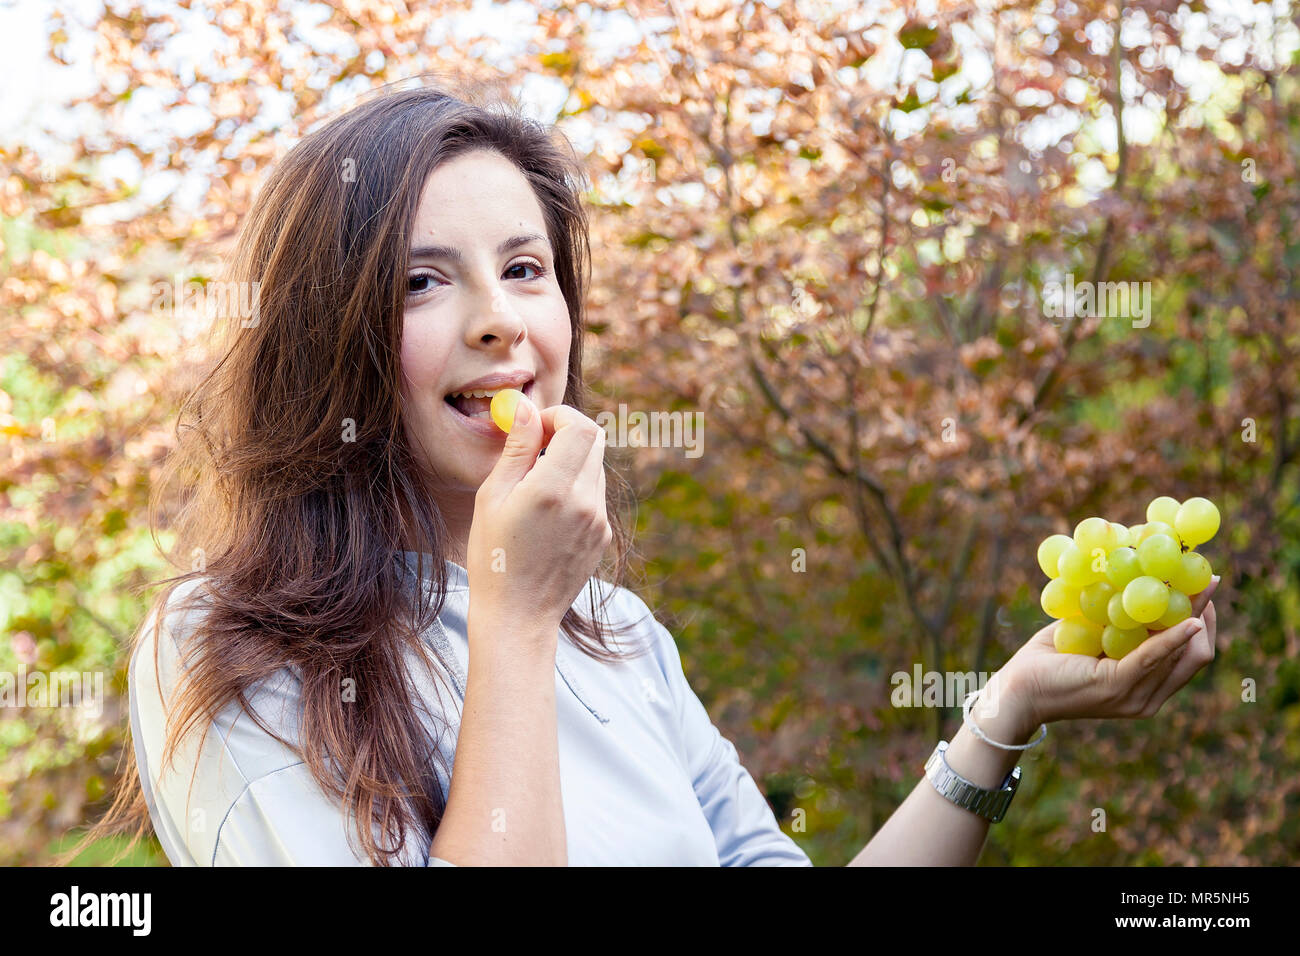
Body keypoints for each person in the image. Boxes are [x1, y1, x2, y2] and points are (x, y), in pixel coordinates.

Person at [64, 78, 1219, 867]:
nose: (495, 321)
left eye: (524, 267)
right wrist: (514, 614)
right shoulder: (225, 646)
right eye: (423, 282)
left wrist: (1003, 712)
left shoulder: (616, 632)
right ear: (331, 338)